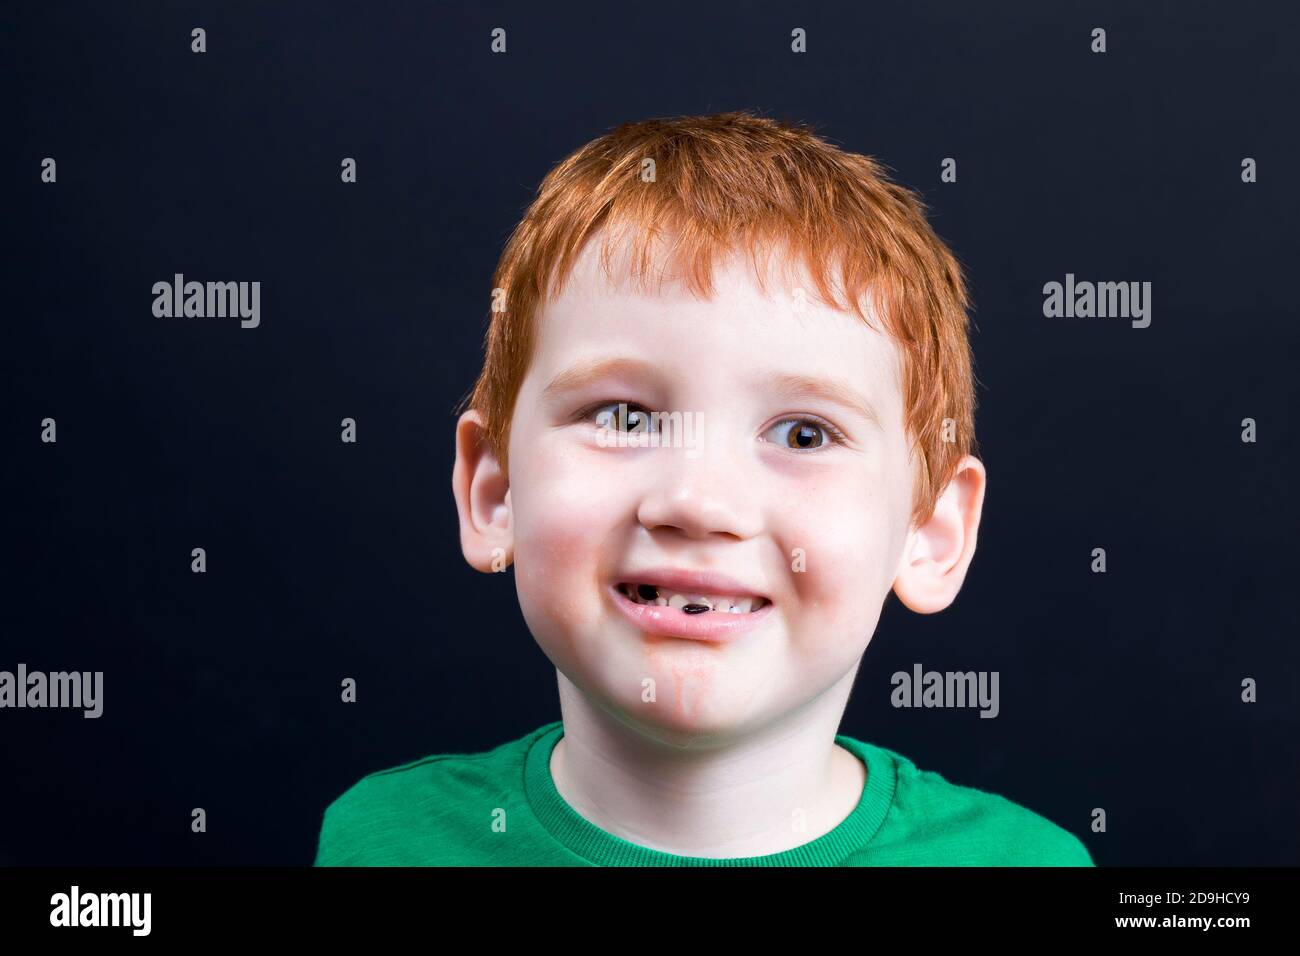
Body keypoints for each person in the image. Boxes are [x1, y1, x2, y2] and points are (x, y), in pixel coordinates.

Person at [314, 111, 1094, 866]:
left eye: (803, 434)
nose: (698, 501)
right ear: (494, 493)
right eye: (622, 416)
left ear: (931, 533)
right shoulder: (380, 842)